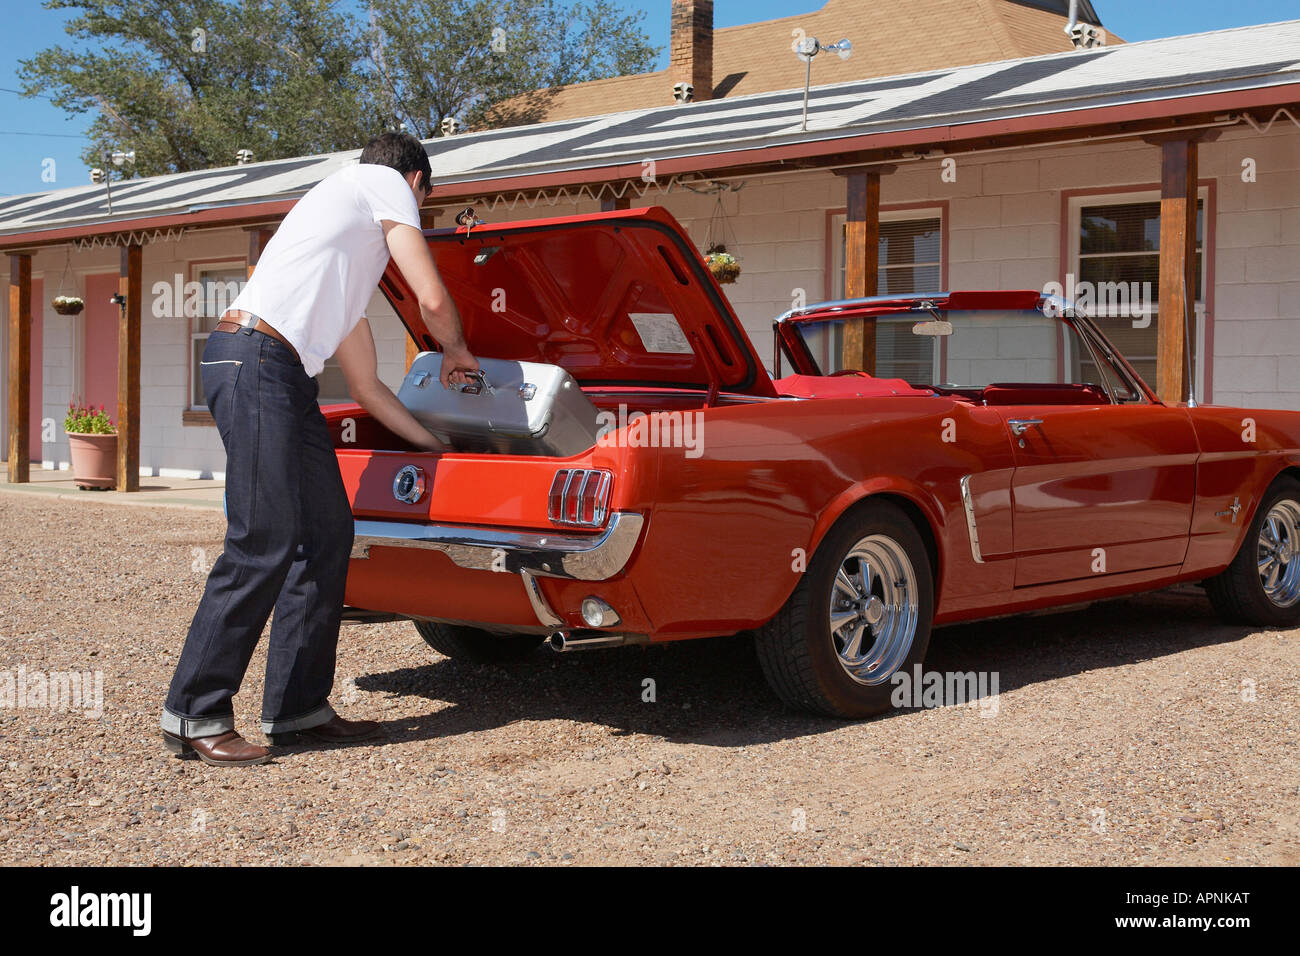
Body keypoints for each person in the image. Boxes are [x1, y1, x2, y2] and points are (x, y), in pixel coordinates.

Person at [160, 132, 478, 767]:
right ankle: (194, 711)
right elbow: (433, 297)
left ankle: (298, 710)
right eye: (425, 202)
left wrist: (439, 447)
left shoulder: (341, 275)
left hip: (279, 372)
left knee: (327, 531)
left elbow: (368, 388)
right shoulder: (383, 181)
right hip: (256, 360)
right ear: (417, 183)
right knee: (265, 536)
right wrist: (458, 352)